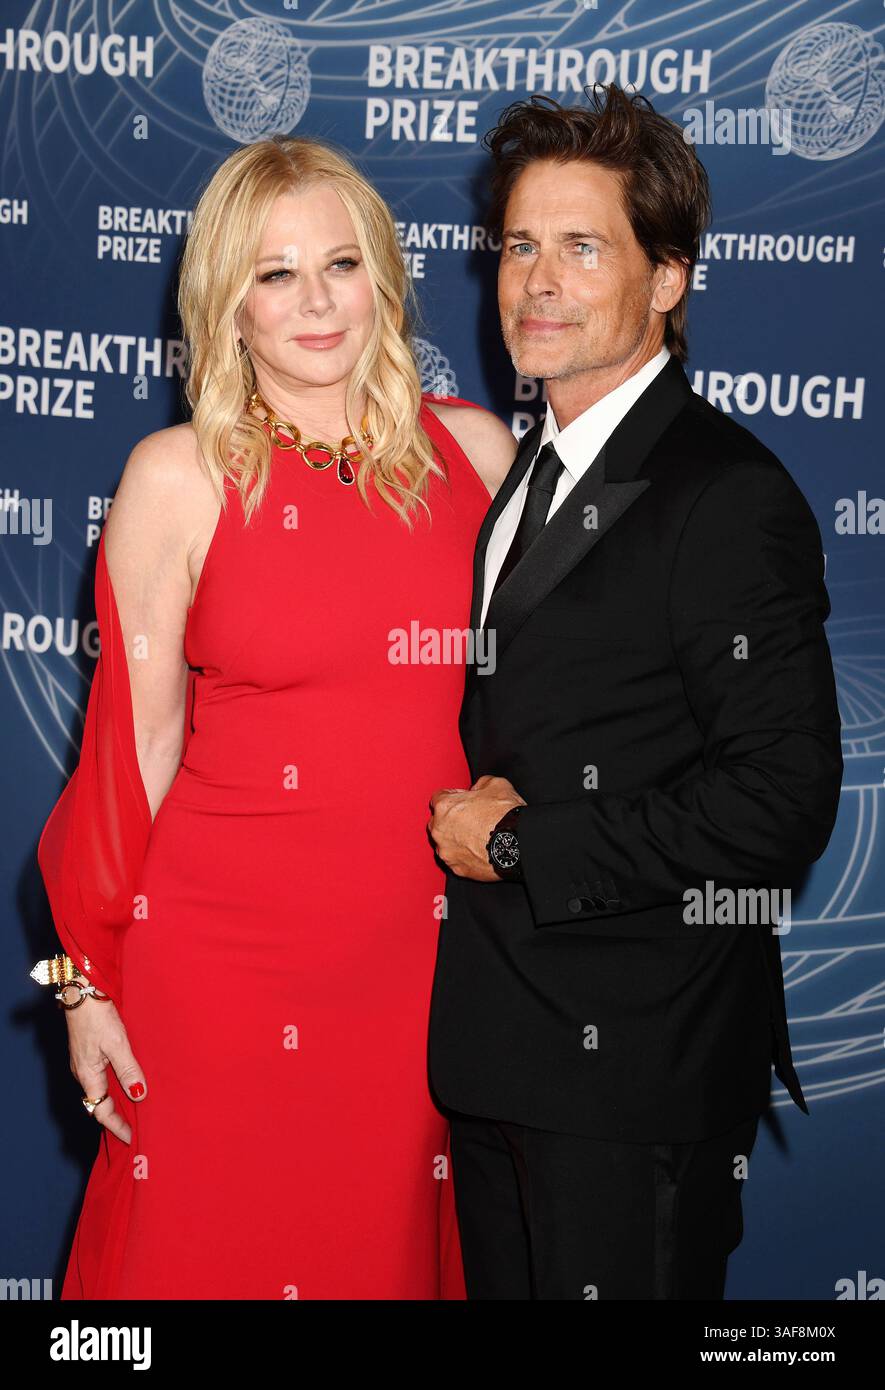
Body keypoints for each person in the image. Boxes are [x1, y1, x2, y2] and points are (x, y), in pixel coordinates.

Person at [36, 133, 517, 1298]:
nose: (315, 301)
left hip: (417, 977)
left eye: (341, 264)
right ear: (227, 306)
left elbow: (531, 718)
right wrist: (86, 987)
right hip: (216, 971)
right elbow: (135, 751)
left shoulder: (478, 453)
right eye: (274, 273)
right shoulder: (177, 476)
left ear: (383, 281)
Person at [427, 85, 843, 1300]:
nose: (536, 282)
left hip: (635, 1076)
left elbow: (781, 800)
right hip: (501, 1059)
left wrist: (518, 841)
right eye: (518, 246)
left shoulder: (725, 493)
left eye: (581, 246)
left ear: (667, 279)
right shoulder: (532, 469)